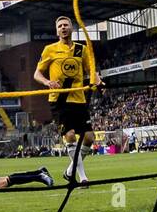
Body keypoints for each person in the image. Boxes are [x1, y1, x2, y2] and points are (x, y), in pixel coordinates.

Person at [33, 16, 104, 186]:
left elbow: (91, 70)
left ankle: (69, 171)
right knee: (70, 135)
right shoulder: (49, 49)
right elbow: (37, 74)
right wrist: (47, 82)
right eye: (60, 26)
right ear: (57, 31)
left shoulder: (82, 49)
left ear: (71, 29)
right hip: (60, 100)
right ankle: (82, 177)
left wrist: (98, 81)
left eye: (66, 25)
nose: (63, 28)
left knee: (89, 137)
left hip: (79, 99)